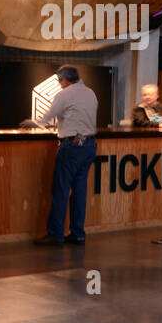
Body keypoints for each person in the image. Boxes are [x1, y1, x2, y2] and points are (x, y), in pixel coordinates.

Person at [35, 65, 98, 246]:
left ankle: (56, 234)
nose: (59, 84)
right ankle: (78, 233)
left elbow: (47, 117)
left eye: (59, 81)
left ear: (64, 79)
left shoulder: (64, 94)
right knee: (79, 190)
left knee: (61, 190)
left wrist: (32, 122)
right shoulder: (91, 93)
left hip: (71, 146)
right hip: (89, 144)